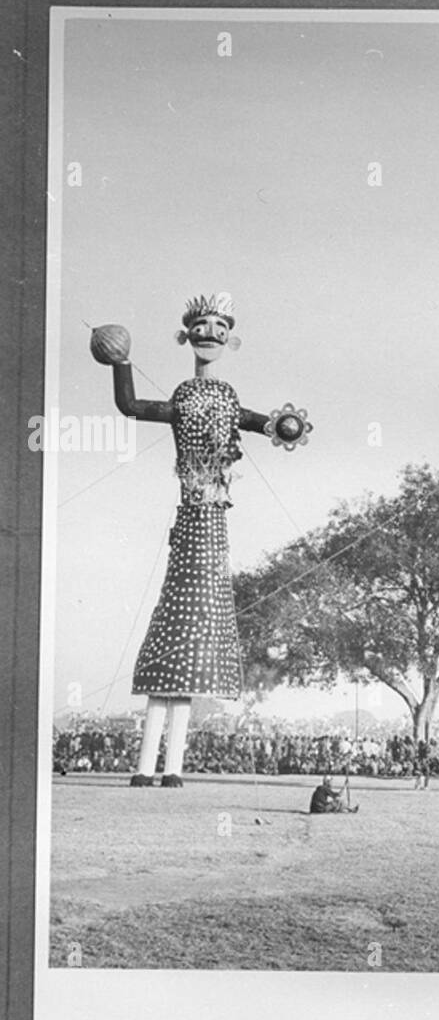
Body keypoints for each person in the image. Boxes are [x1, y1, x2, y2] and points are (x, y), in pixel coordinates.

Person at [90, 294, 309, 788]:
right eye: (200, 325)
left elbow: (266, 423)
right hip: (193, 513)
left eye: (218, 326)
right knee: (180, 630)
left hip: (211, 516)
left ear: (230, 338)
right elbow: (130, 406)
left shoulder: (227, 398)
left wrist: (283, 424)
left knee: (193, 638)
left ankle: (169, 768)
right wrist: (121, 362)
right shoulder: (185, 395)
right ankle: (151, 767)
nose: (209, 333)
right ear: (185, 335)